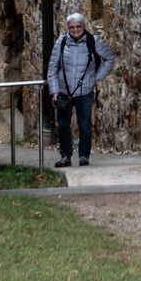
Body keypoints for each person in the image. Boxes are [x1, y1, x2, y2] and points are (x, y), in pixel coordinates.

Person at [47, 13, 114, 168]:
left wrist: (98, 77)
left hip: (84, 91)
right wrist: (55, 91)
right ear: (68, 28)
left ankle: (84, 155)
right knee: (63, 125)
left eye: (78, 26)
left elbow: (109, 57)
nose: (75, 30)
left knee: (84, 125)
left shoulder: (93, 41)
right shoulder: (61, 43)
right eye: (72, 27)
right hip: (64, 91)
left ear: (83, 27)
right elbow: (52, 68)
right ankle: (65, 156)